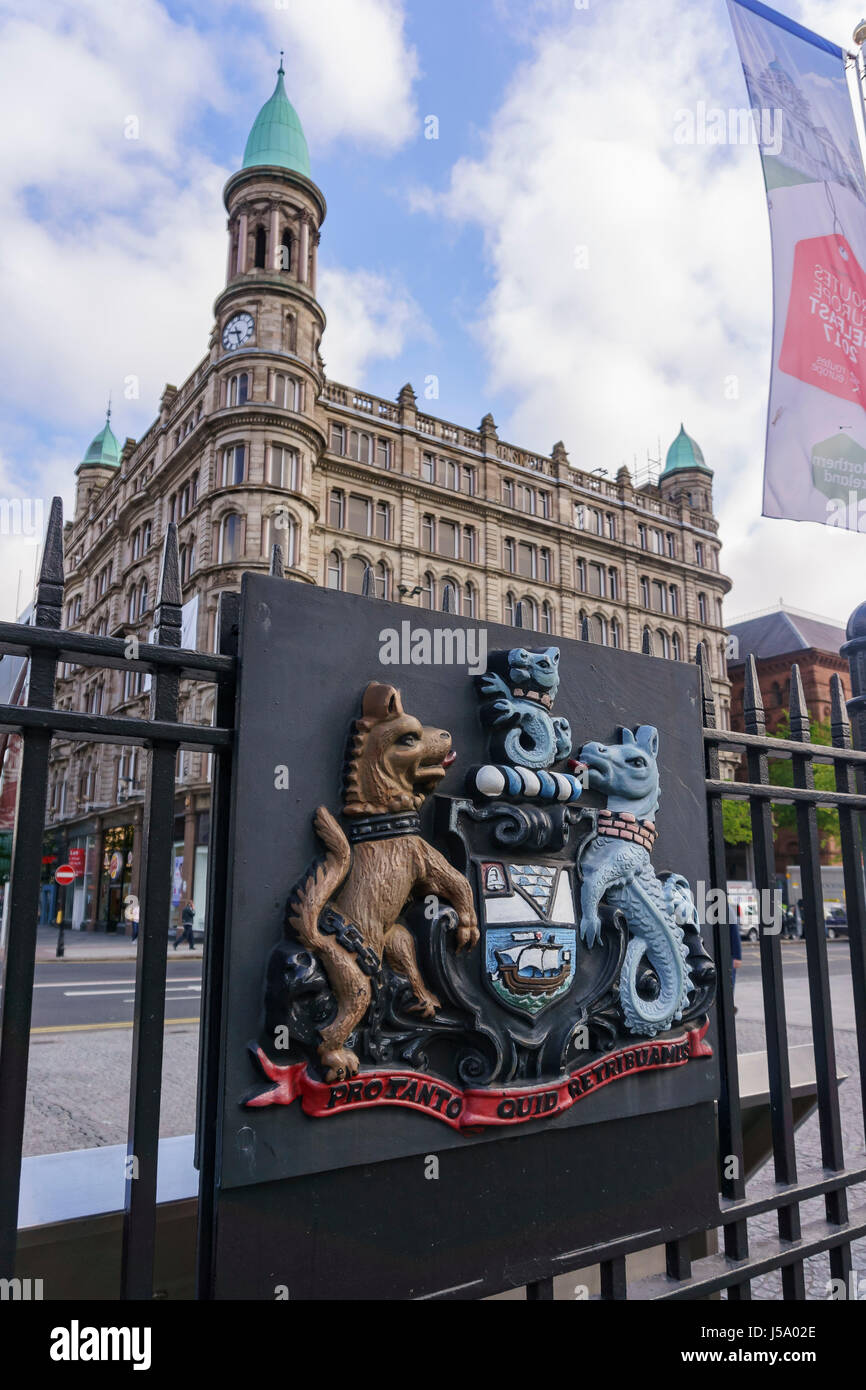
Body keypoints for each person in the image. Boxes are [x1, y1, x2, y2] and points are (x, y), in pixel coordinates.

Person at [729, 910, 743, 1015]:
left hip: (728, 955)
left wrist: (737, 956)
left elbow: (734, 932)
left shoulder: (727, 908)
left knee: (729, 982)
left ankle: (729, 1005)